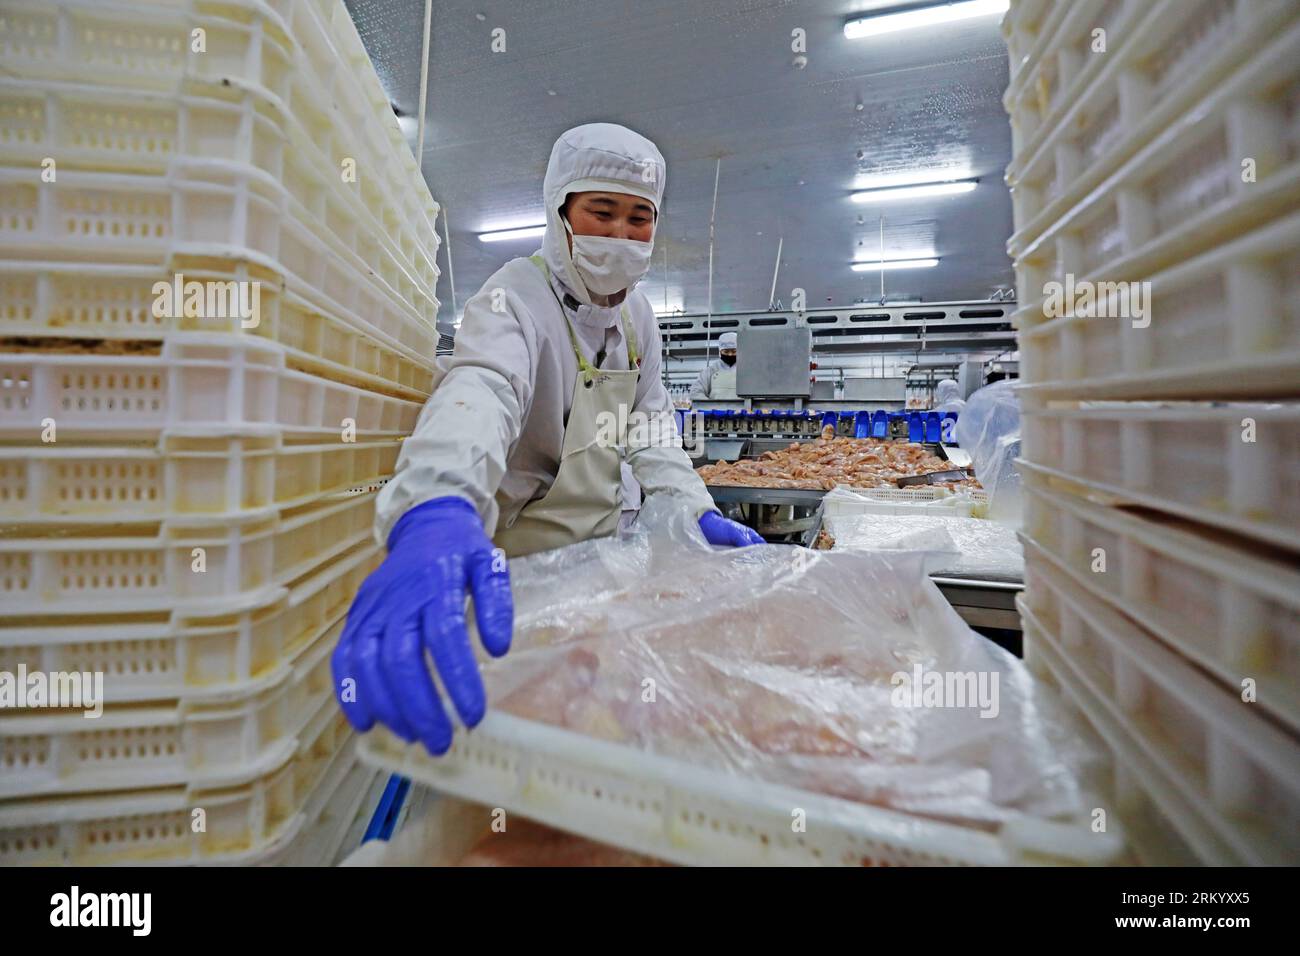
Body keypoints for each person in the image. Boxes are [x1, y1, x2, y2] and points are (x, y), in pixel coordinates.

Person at [332, 123, 763, 757]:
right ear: (560, 213)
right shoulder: (515, 299)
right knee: (509, 749)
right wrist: (438, 505)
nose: (619, 235)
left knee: (596, 742)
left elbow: (647, 424)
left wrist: (687, 504)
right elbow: (481, 393)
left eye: (639, 218)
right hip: (516, 581)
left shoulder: (638, 318)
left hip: (600, 574)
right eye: (602, 212)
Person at [690, 331, 739, 400]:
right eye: (726, 351)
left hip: (743, 410)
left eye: (734, 351)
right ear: (720, 351)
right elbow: (695, 392)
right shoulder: (711, 371)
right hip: (716, 410)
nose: (730, 354)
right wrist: (711, 407)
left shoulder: (746, 370)